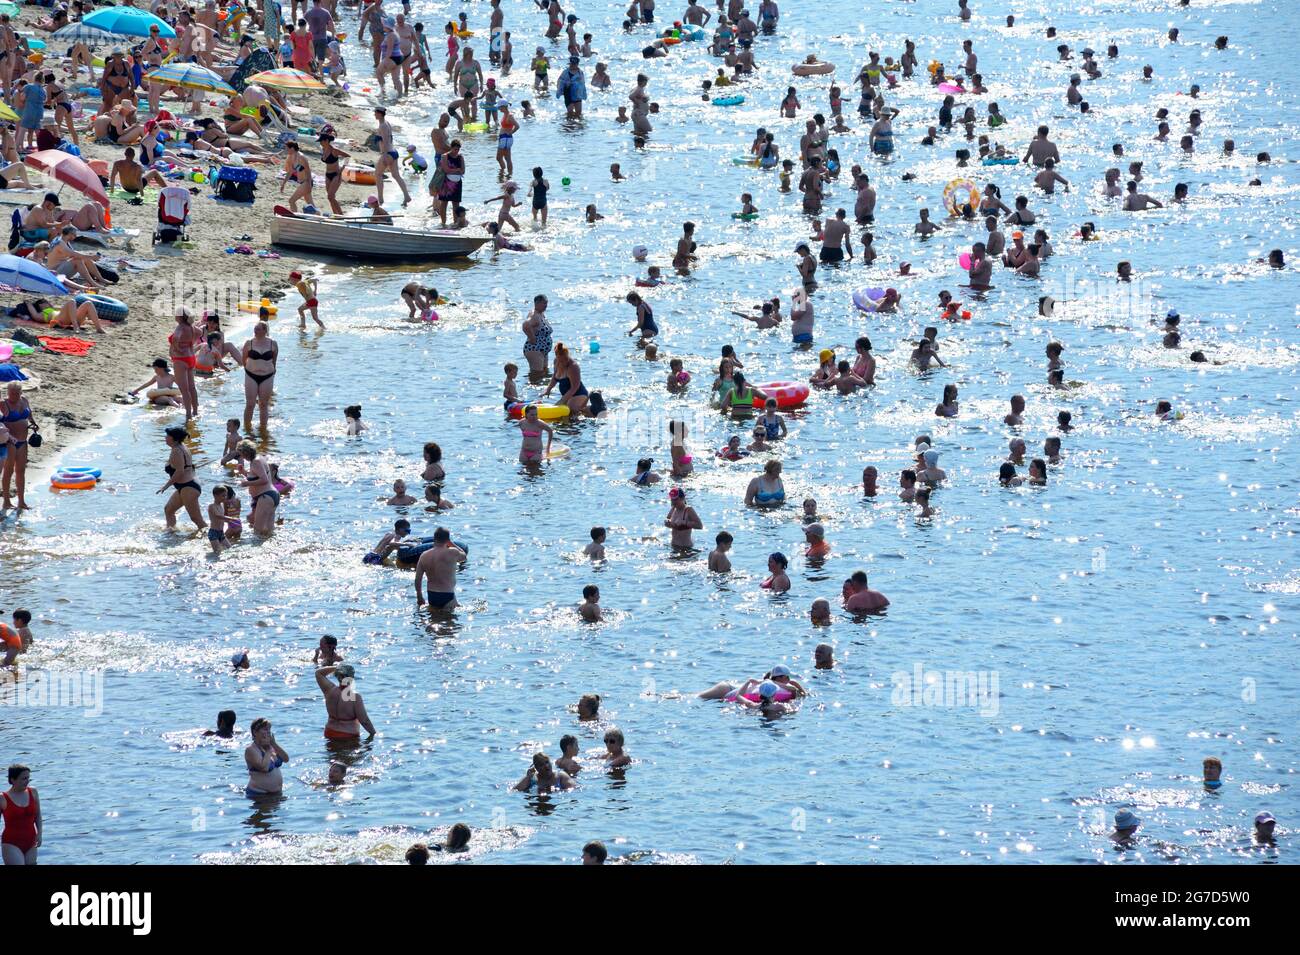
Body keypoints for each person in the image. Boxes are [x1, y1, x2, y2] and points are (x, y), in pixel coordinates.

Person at [315, 664, 376, 741]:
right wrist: (373, 734)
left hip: (329, 732)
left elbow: (318, 673)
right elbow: (364, 721)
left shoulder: (329, 689)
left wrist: (338, 667)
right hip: (348, 735)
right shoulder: (355, 697)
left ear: (337, 676)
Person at [1, 382, 34, 511]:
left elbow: (29, 415)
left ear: (21, 392)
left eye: (16, 393)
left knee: (21, 471)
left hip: (23, 441)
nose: (14, 395)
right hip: (10, 442)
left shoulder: (24, 400)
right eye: (11, 393)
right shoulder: (4, 404)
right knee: (8, 471)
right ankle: (6, 501)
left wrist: (33, 423)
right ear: (7, 392)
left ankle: (21, 501)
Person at [414, 528, 467, 609]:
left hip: (432, 595)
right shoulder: (452, 552)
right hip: (447, 594)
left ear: (434, 539)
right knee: (450, 619)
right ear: (448, 540)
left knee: (434, 620)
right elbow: (464, 556)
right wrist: (451, 544)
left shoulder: (424, 555)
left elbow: (418, 579)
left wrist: (419, 596)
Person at [241, 322, 278, 431]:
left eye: (258, 329)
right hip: (251, 375)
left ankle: (263, 431)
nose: (255, 331)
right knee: (250, 404)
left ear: (265, 331)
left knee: (263, 404)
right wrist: (250, 369)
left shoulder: (273, 344)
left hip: (267, 376)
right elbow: (244, 360)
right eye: (255, 329)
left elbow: (274, 362)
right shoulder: (249, 343)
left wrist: (270, 372)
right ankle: (247, 430)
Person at [1, 765, 41, 864]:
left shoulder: (33, 792)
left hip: (31, 841)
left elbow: (38, 816)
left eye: (28, 778)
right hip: (11, 843)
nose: (27, 781)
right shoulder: (3, 798)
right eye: (23, 779)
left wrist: (39, 834)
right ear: (12, 780)